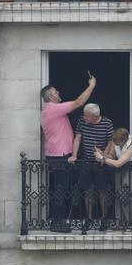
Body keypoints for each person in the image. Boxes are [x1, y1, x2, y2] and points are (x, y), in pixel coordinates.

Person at [40, 73, 96, 227]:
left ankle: (58, 221)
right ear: (51, 96)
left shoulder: (48, 110)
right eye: (56, 92)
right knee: (61, 190)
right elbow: (79, 102)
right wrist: (92, 85)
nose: (59, 93)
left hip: (57, 156)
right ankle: (58, 223)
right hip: (60, 157)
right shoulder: (53, 109)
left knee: (61, 189)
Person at [72, 102, 114, 229]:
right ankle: (89, 218)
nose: (84, 118)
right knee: (88, 191)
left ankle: (104, 219)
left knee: (102, 191)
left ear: (94, 116)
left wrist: (103, 156)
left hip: (101, 163)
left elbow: (110, 141)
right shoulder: (81, 121)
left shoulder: (107, 123)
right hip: (86, 161)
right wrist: (74, 155)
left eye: (86, 116)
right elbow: (77, 138)